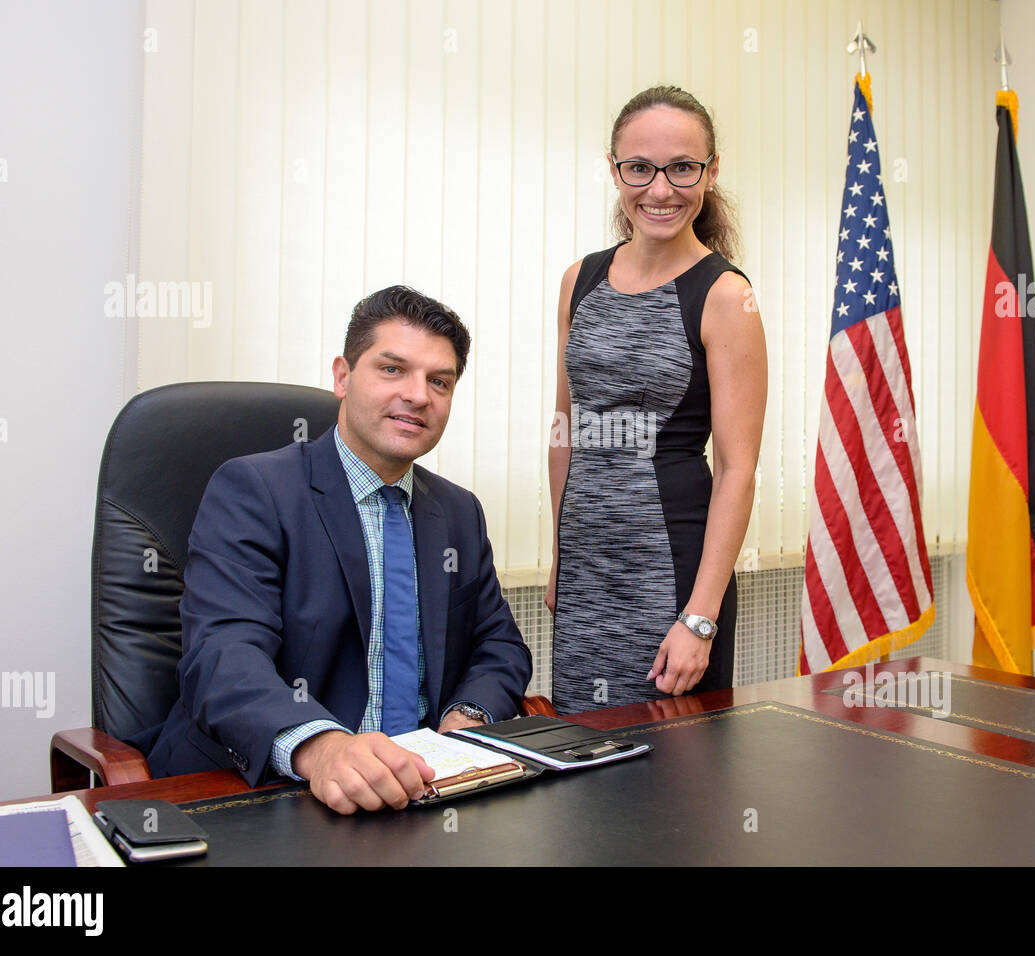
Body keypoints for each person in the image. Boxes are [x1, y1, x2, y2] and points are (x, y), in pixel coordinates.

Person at [144, 286, 533, 813]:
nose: (418, 395)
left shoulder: (459, 512)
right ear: (343, 377)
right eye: (392, 369)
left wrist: (468, 716)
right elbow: (223, 655)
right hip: (267, 789)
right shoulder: (254, 490)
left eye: (438, 381)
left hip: (421, 788)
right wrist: (320, 747)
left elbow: (499, 645)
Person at [547, 86, 767, 714]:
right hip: (588, 558)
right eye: (639, 168)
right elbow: (566, 429)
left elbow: (738, 468)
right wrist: (564, 553)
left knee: (673, 767)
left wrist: (700, 616)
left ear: (711, 171)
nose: (660, 189)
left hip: (672, 561)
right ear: (616, 171)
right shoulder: (578, 279)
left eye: (682, 167)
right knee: (582, 749)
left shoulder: (725, 295)